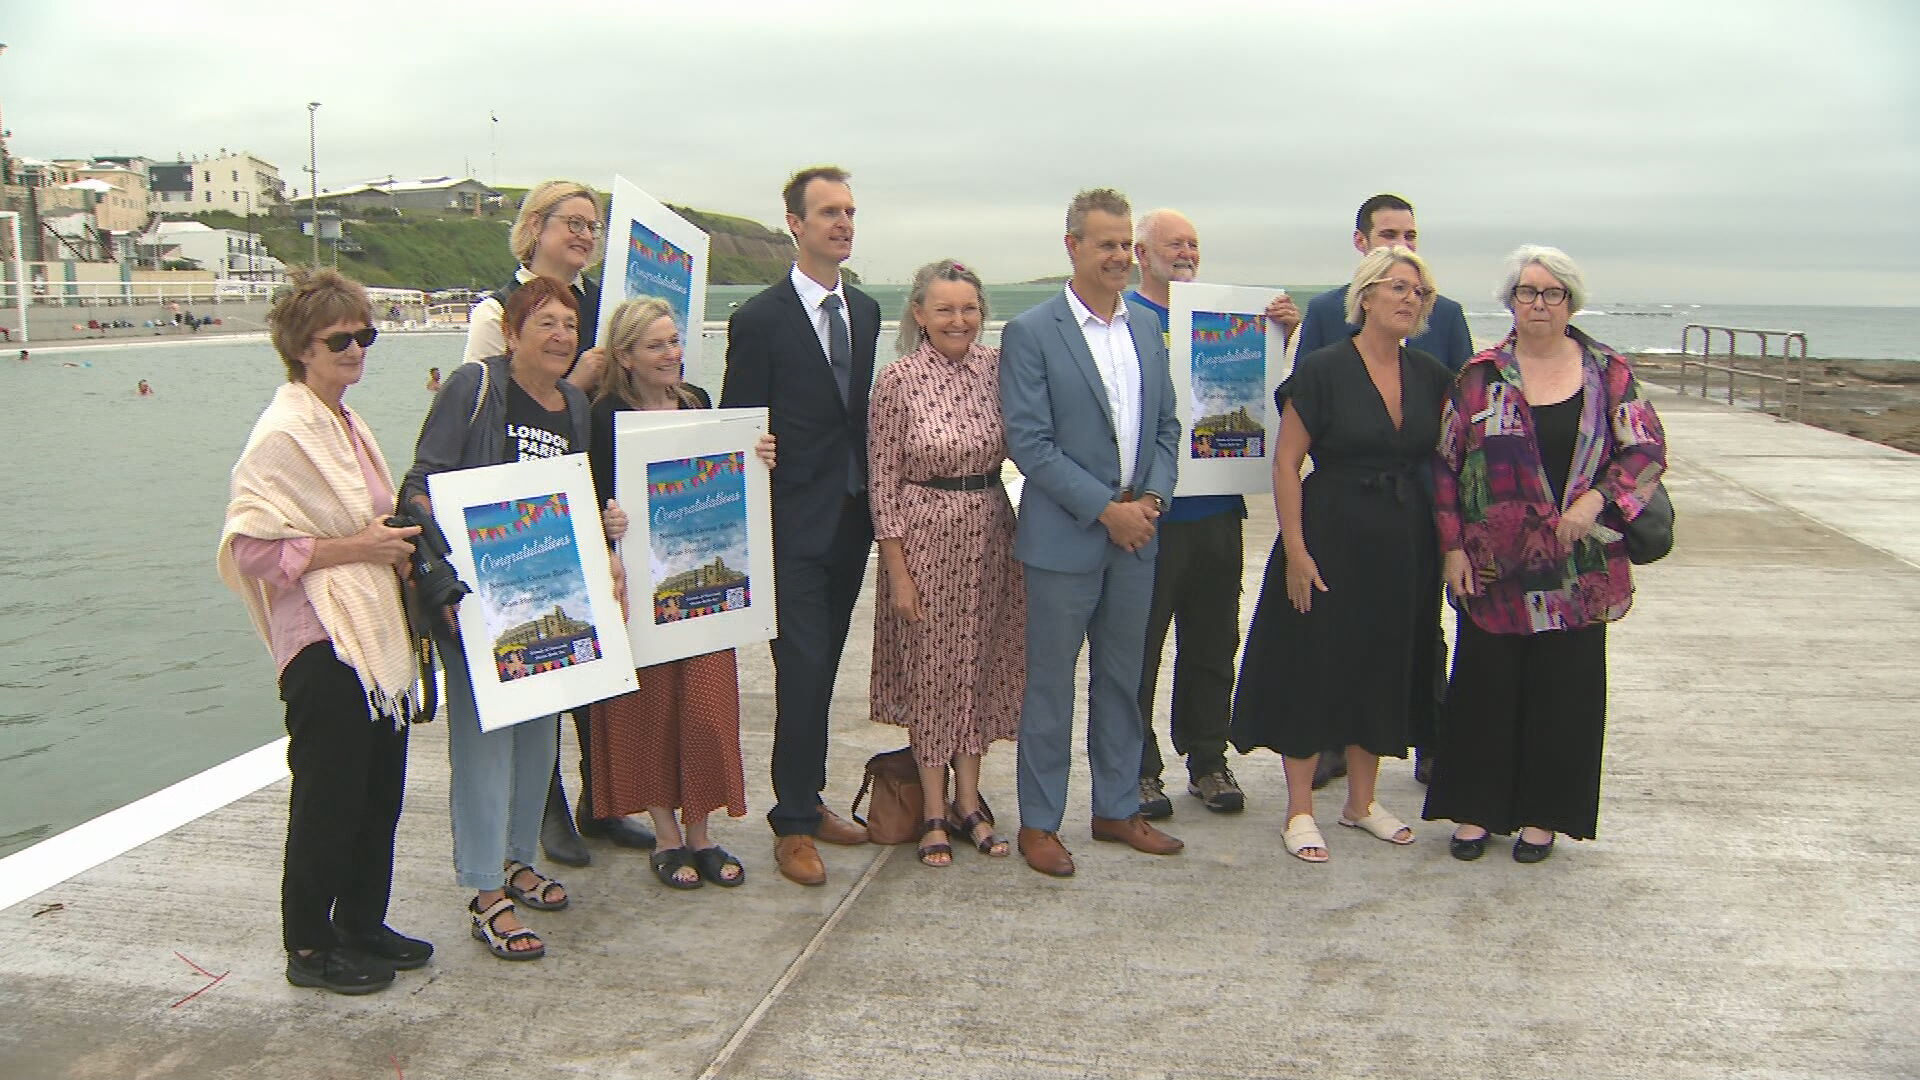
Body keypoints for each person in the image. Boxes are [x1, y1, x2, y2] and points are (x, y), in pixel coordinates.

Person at [401, 276, 628, 959]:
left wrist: (603, 526)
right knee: (483, 745)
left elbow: (575, 495)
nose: (560, 336)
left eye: (570, 324)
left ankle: (517, 858)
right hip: (476, 606)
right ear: (513, 332)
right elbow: (418, 483)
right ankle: (483, 890)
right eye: (546, 323)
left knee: (540, 739)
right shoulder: (473, 388)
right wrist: (456, 546)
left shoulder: (576, 404)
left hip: (546, 602)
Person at [218, 269, 431, 995]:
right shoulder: (282, 434)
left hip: (372, 639)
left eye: (365, 335)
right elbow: (251, 548)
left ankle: (361, 924)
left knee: (378, 794)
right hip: (322, 642)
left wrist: (389, 548)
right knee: (329, 800)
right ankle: (309, 946)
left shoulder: (347, 422)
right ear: (300, 348)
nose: (356, 349)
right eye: (340, 339)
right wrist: (357, 550)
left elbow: (364, 520)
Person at [1423, 246, 1666, 864]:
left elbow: (1644, 451)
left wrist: (1593, 504)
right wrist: (1450, 547)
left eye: (1551, 293)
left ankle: (1542, 816)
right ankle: (1476, 810)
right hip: (1492, 568)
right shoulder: (1477, 375)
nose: (1538, 303)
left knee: (1566, 694)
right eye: (1527, 292)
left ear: (1570, 302)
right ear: (1510, 301)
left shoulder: (1607, 370)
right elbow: (1445, 467)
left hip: (1577, 568)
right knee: (1484, 689)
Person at [1228, 246, 1453, 863]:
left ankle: (1361, 802)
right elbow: (1285, 463)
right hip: (1328, 534)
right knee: (1314, 663)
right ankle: (1300, 809)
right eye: (1398, 288)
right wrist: (1296, 551)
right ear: (1367, 295)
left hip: (1403, 541)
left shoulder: (1431, 375)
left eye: (1419, 292)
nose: (1410, 299)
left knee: (1381, 663)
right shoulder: (1324, 369)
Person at [999, 188, 1183, 878]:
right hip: (1066, 539)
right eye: (1104, 243)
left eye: (1125, 243)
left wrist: (1153, 500)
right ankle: (1040, 823)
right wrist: (1107, 509)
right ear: (1072, 246)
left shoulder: (1142, 329)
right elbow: (1031, 443)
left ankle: (1115, 807)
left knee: (1122, 679)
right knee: (1050, 686)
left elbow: (1167, 425)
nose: (1118, 256)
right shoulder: (1031, 332)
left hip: (1138, 537)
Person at [462, 179, 642, 864]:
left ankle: (606, 798)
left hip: (588, 487)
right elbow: (491, 405)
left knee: (593, 659)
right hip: (521, 508)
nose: (585, 236)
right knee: (541, 669)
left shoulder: (600, 306)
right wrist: (582, 380)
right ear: (534, 227)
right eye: (572, 222)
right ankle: (546, 812)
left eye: (593, 226)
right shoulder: (495, 310)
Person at [719, 165, 880, 887]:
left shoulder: (868, 312)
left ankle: (810, 800)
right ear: (795, 224)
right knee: (803, 669)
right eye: (827, 213)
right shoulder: (759, 320)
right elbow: (734, 427)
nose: (842, 223)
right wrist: (753, 452)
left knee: (823, 669)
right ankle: (791, 821)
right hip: (788, 526)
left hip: (852, 520)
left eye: (849, 211)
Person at [587, 297, 775, 890]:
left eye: (674, 342)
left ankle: (703, 830)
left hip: (703, 589)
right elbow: (585, 492)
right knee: (648, 709)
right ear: (625, 356)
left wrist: (757, 457)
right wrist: (605, 518)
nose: (672, 355)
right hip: (636, 585)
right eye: (656, 346)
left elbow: (722, 478)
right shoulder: (604, 415)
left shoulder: (696, 402)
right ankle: (668, 835)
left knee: (706, 708)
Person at [1296, 192, 1475, 791]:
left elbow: (1467, 410)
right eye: (1388, 233)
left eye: (1411, 234)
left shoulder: (1444, 314)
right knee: (1337, 623)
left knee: (1421, 625)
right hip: (1344, 503)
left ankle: (1430, 734)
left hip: (1419, 498)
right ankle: (1331, 740)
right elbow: (1303, 398)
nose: (1401, 244)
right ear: (1361, 243)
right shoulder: (1324, 311)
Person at [1126, 208, 1299, 821]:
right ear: (1141, 254)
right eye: (1173, 244)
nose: (1186, 253)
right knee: (1138, 650)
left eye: (1194, 244)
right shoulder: (1124, 317)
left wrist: (1285, 336)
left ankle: (1207, 759)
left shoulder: (1229, 318)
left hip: (1220, 512)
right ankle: (1138, 770)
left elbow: (1276, 400)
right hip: (1148, 519)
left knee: (1211, 645)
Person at [868, 260, 1022, 867]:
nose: (959, 320)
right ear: (919, 316)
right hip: (924, 537)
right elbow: (881, 483)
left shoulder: (997, 370)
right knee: (932, 670)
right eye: (945, 310)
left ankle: (970, 800)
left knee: (979, 666)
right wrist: (898, 570)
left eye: (969, 309)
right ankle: (933, 809)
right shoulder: (898, 380)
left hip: (990, 532)